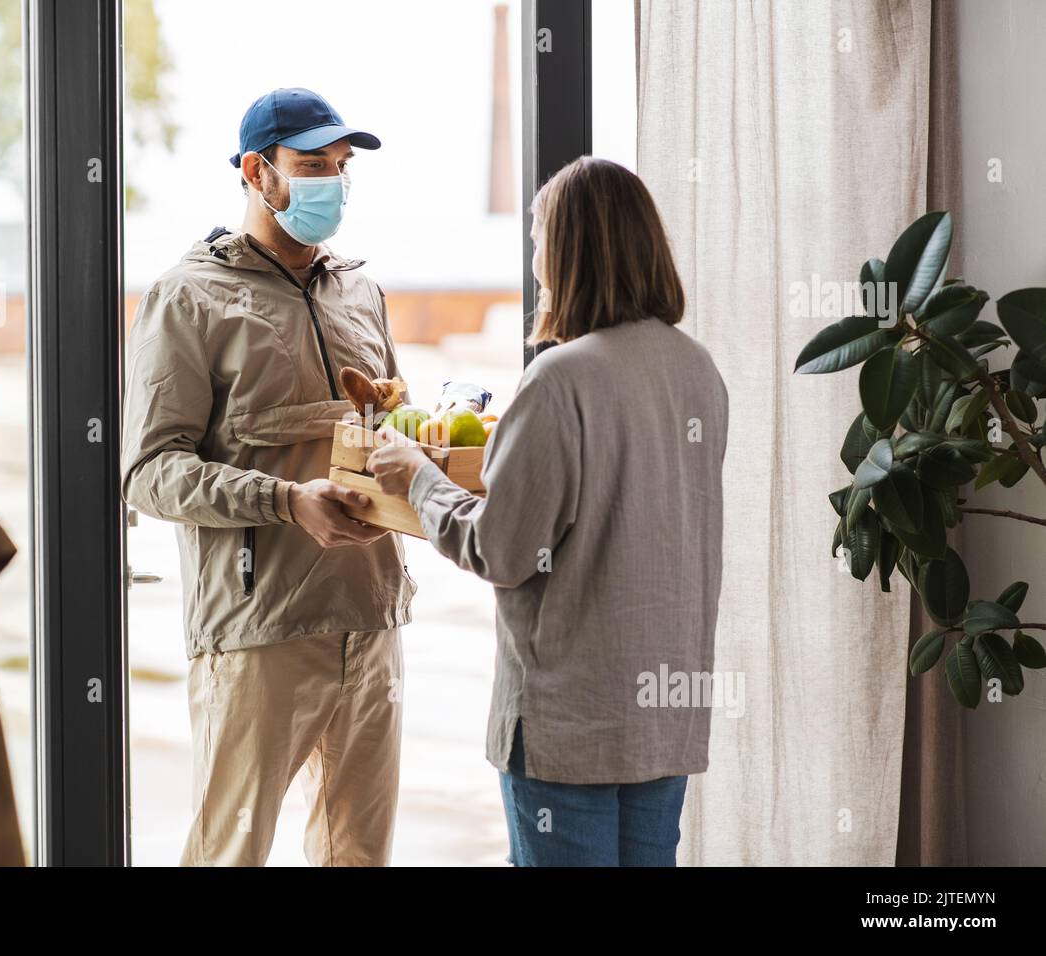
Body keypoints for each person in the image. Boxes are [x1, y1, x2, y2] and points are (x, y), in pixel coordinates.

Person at [367, 157, 728, 867]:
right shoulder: (697, 369)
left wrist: (417, 478)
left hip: (571, 722)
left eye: (538, 238)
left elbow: (500, 549)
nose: (534, 258)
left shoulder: (559, 378)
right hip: (665, 713)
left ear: (567, 251)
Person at [121, 88, 415, 866]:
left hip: (371, 615)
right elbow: (149, 473)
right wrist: (286, 502)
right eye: (312, 165)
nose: (334, 184)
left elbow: (388, 430)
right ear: (258, 172)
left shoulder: (361, 290)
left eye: (342, 167)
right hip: (259, 633)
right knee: (231, 855)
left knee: (360, 855)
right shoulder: (187, 297)